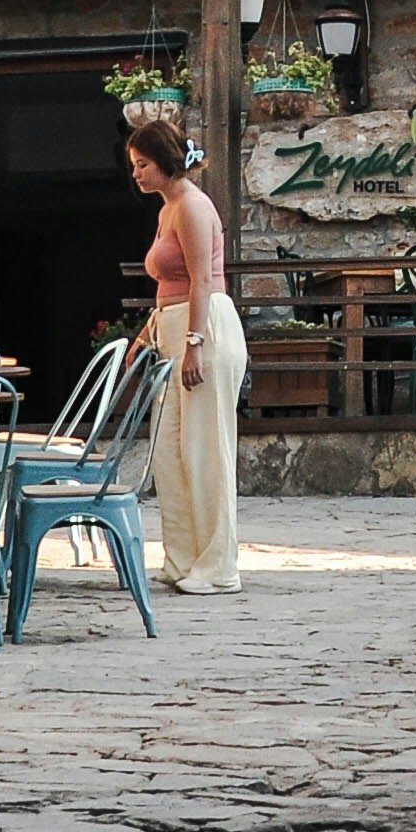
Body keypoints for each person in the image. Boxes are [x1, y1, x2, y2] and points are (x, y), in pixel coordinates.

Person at [124, 109, 243, 595]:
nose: (136, 173)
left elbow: (203, 281)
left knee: (204, 450)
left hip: (204, 328)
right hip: (173, 329)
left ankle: (219, 568)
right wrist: (147, 335)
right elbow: (168, 288)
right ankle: (183, 558)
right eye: (133, 164)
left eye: (142, 164)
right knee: (171, 452)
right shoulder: (166, 208)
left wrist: (194, 343)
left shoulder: (193, 205)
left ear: (166, 163)